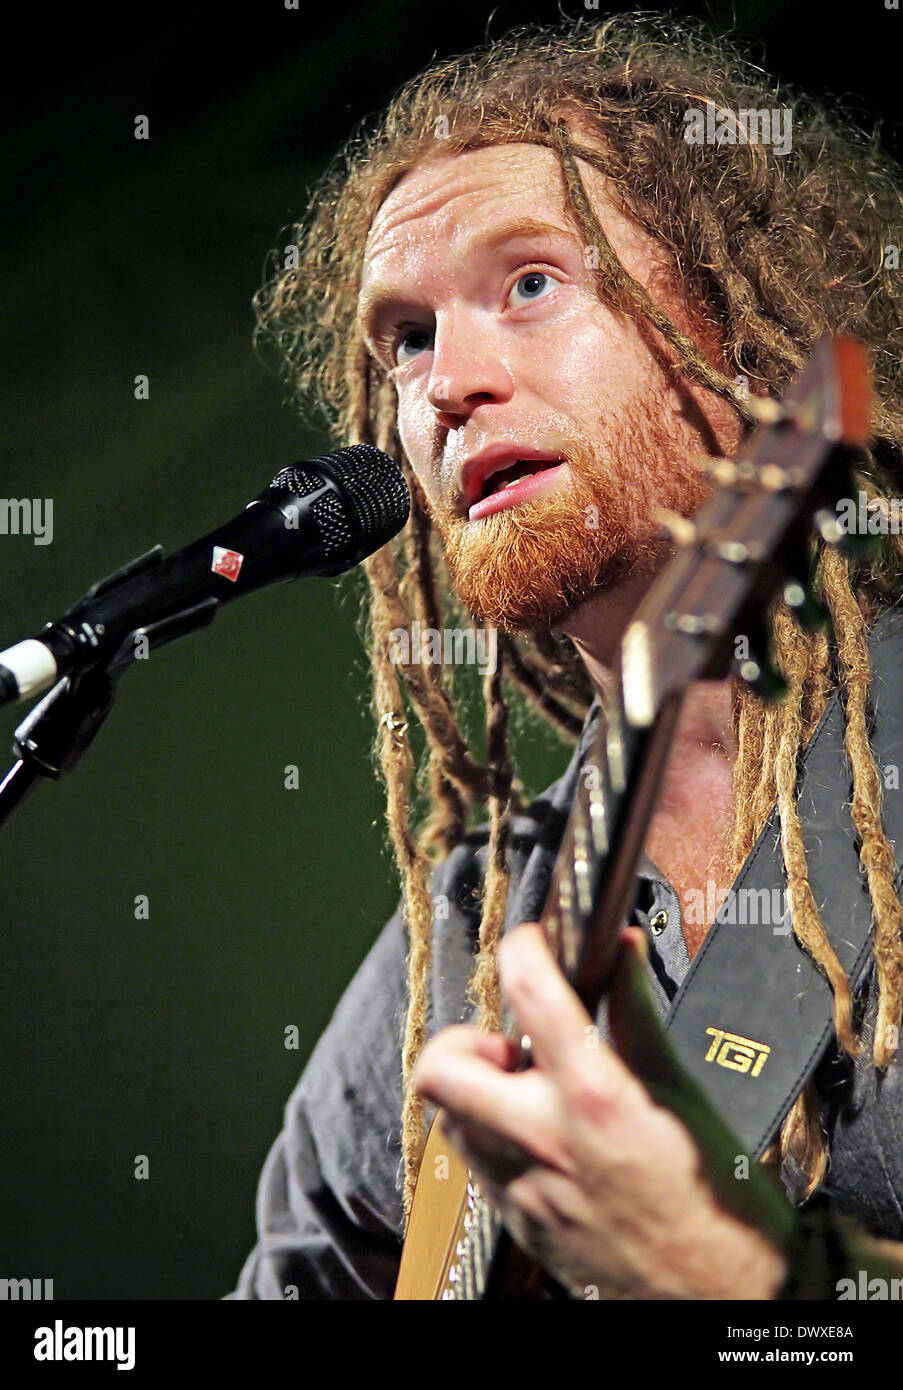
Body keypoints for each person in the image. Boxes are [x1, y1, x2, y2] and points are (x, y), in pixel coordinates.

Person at [228, 15, 903, 1298]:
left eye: (530, 284)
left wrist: (731, 1273)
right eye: (406, 337)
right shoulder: (467, 938)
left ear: (741, 332)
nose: (445, 386)